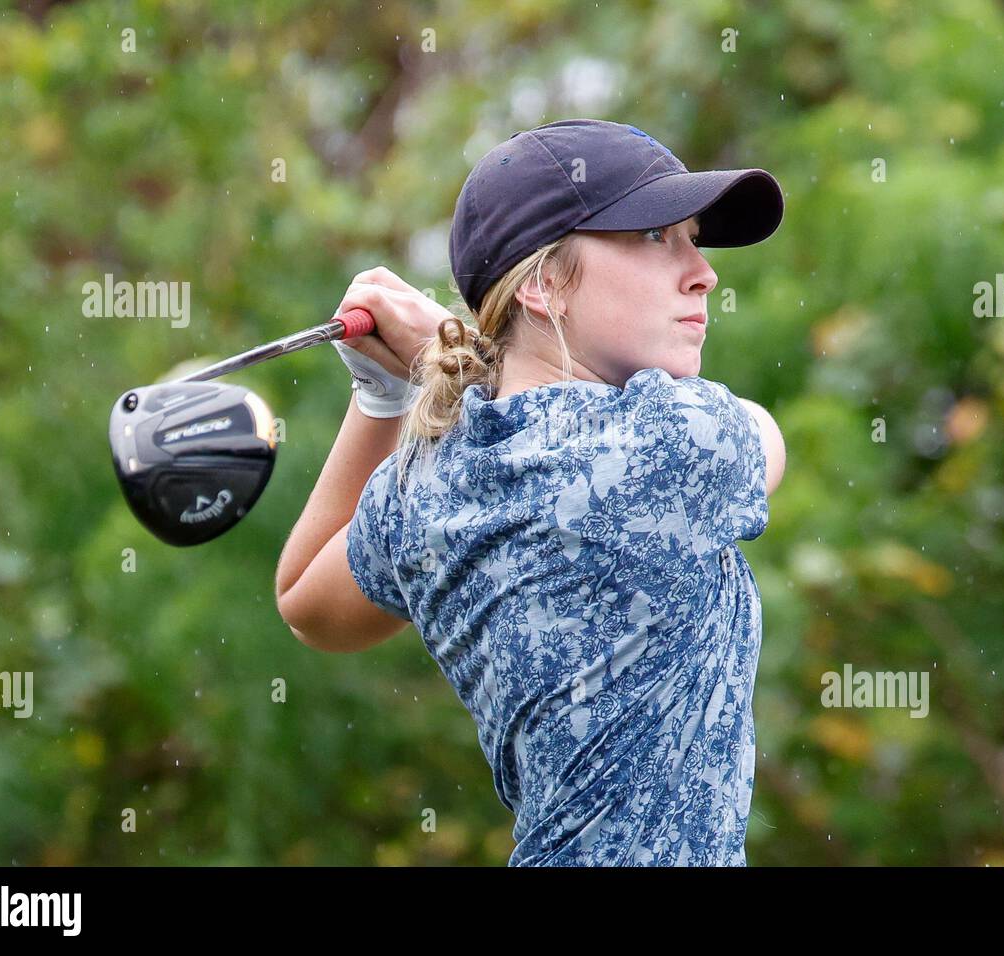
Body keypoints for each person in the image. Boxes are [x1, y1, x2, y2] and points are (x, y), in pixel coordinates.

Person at [275, 118, 787, 865]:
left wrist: (385, 398)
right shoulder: (676, 441)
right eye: (655, 237)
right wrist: (442, 352)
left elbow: (307, 606)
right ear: (544, 284)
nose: (702, 272)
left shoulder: (428, 480)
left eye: (692, 237)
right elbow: (767, 434)